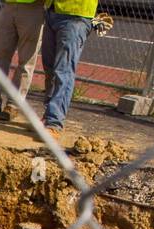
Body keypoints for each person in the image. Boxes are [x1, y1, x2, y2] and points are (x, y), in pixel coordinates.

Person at [39, 0, 99, 137]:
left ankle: (54, 122)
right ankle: (48, 116)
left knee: (63, 70)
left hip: (76, 16)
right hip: (52, 10)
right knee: (49, 68)